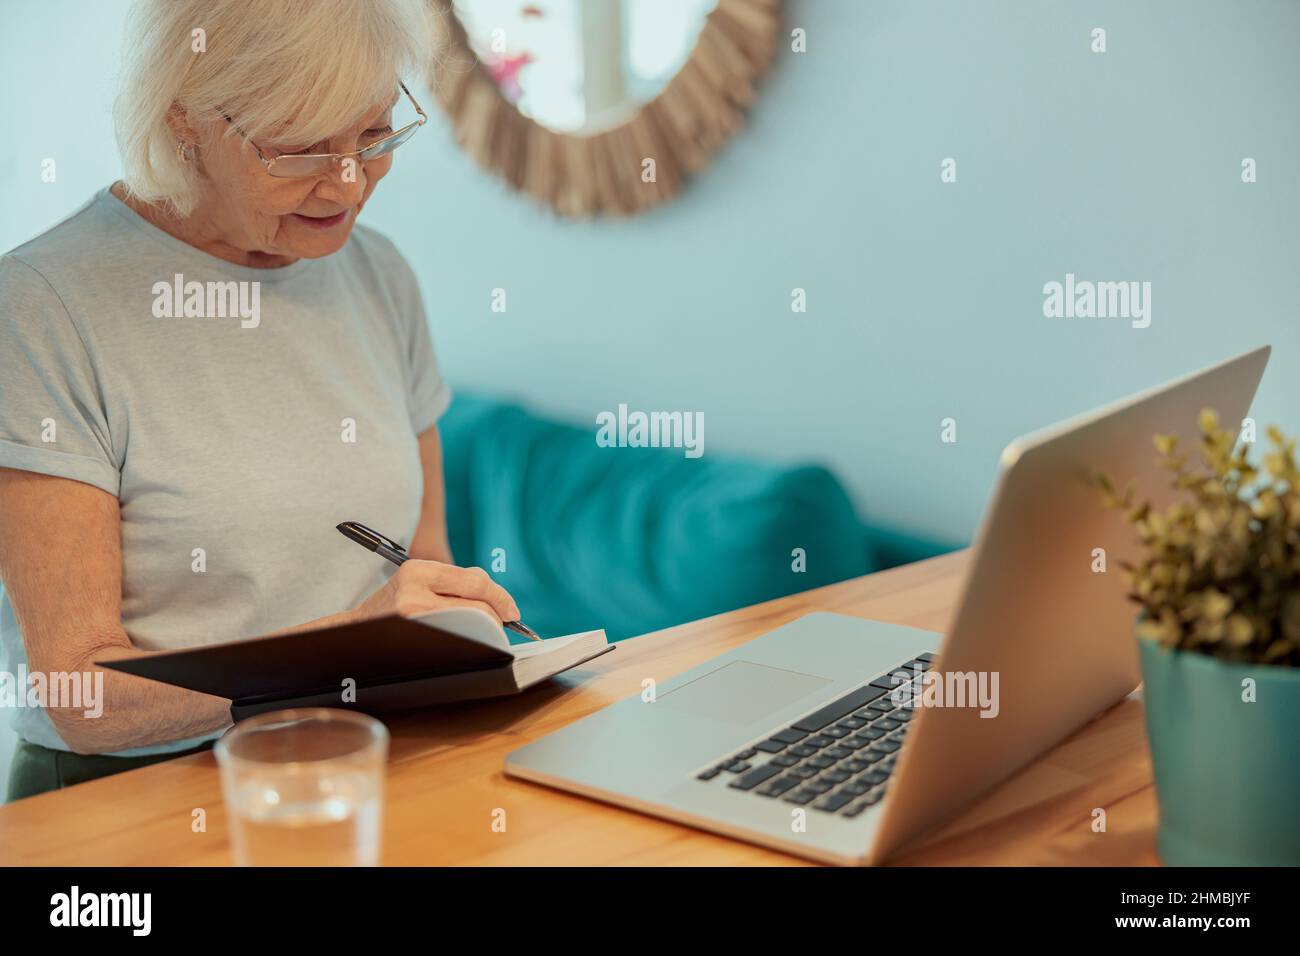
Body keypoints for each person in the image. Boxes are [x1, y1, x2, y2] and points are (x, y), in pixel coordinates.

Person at [0, 0, 519, 799]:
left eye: (374, 135)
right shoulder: (40, 305)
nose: (349, 181)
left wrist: (461, 637)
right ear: (185, 122)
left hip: (365, 762)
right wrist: (353, 648)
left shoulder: (379, 276)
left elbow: (425, 562)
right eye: (301, 146)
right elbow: (81, 699)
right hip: (129, 797)